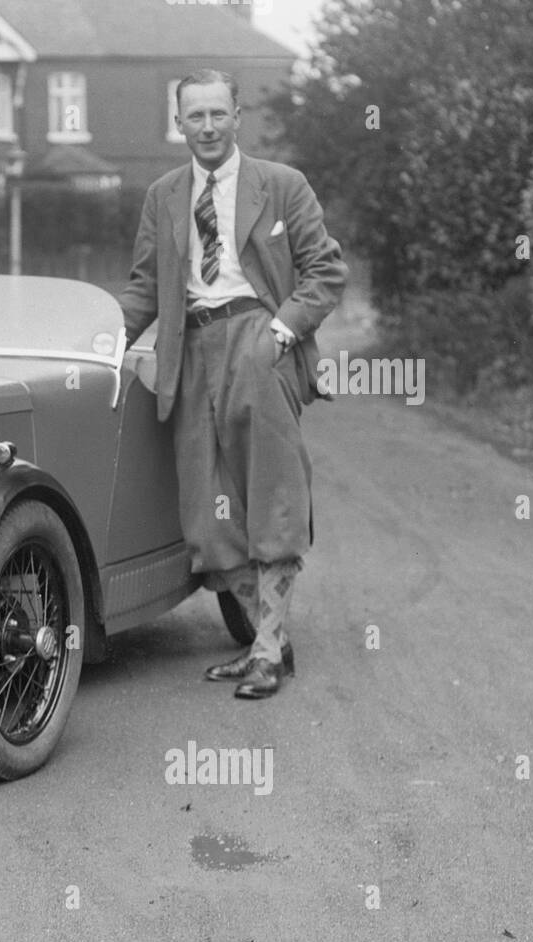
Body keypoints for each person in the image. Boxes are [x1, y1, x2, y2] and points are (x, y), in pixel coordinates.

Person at [117, 69, 347, 698]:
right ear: (180, 123)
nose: (209, 127)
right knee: (207, 517)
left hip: (258, 341)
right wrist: (99, 336)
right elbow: (144, 288)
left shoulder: (282, 185)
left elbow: (326, 273)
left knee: (272, 498)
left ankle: (268, 649)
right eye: (196, 116)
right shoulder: (164, 195)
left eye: (219, 114)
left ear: (238, 116)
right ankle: (269, 639)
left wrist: (280, 334)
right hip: (189, 351)